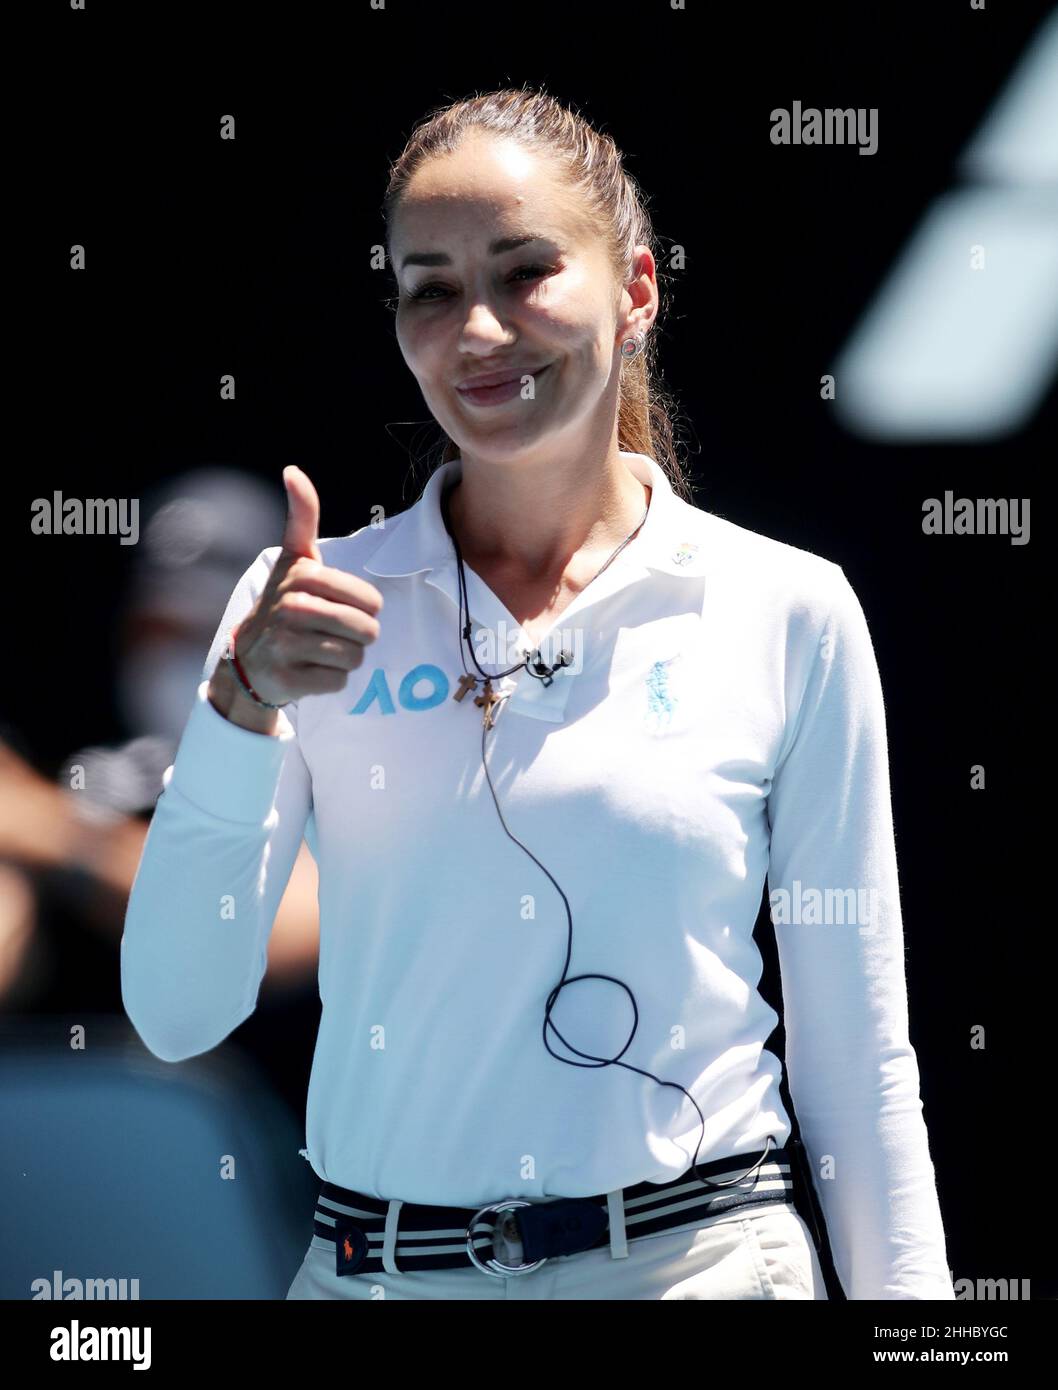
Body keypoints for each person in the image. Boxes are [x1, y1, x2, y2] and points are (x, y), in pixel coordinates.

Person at [120, 86, 955, 1300]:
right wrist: (241, 708)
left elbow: (858, 1060)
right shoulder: (298, 601)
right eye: (432, 287)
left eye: (523, 272)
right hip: (374, 1273)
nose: (477, 330)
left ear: (636, 289)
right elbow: (176, 1014)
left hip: (704, 1264)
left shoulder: (787, 606)